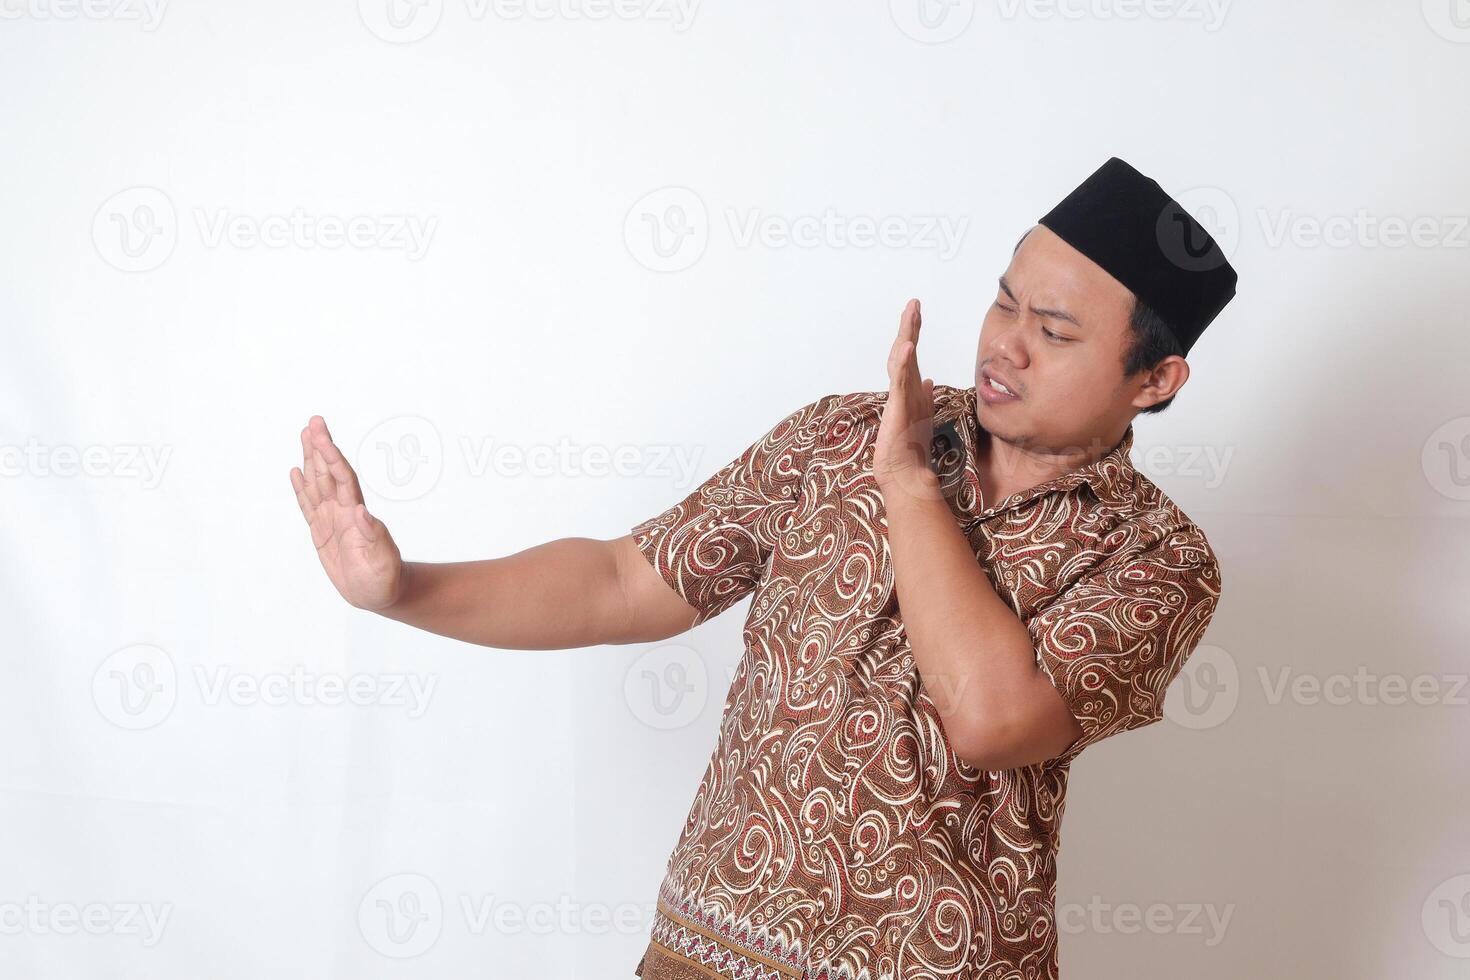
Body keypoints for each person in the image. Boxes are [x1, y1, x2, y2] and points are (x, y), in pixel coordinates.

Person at [288, 156, 1238, 980]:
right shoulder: (837, 436)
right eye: (1002, 300)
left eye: (1057, 332)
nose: (1005, 344)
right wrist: (403, 590)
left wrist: (907, 485)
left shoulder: (1156, 558)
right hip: (705, 956)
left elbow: (993, 720)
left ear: (1155, 379)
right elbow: (626, 581)